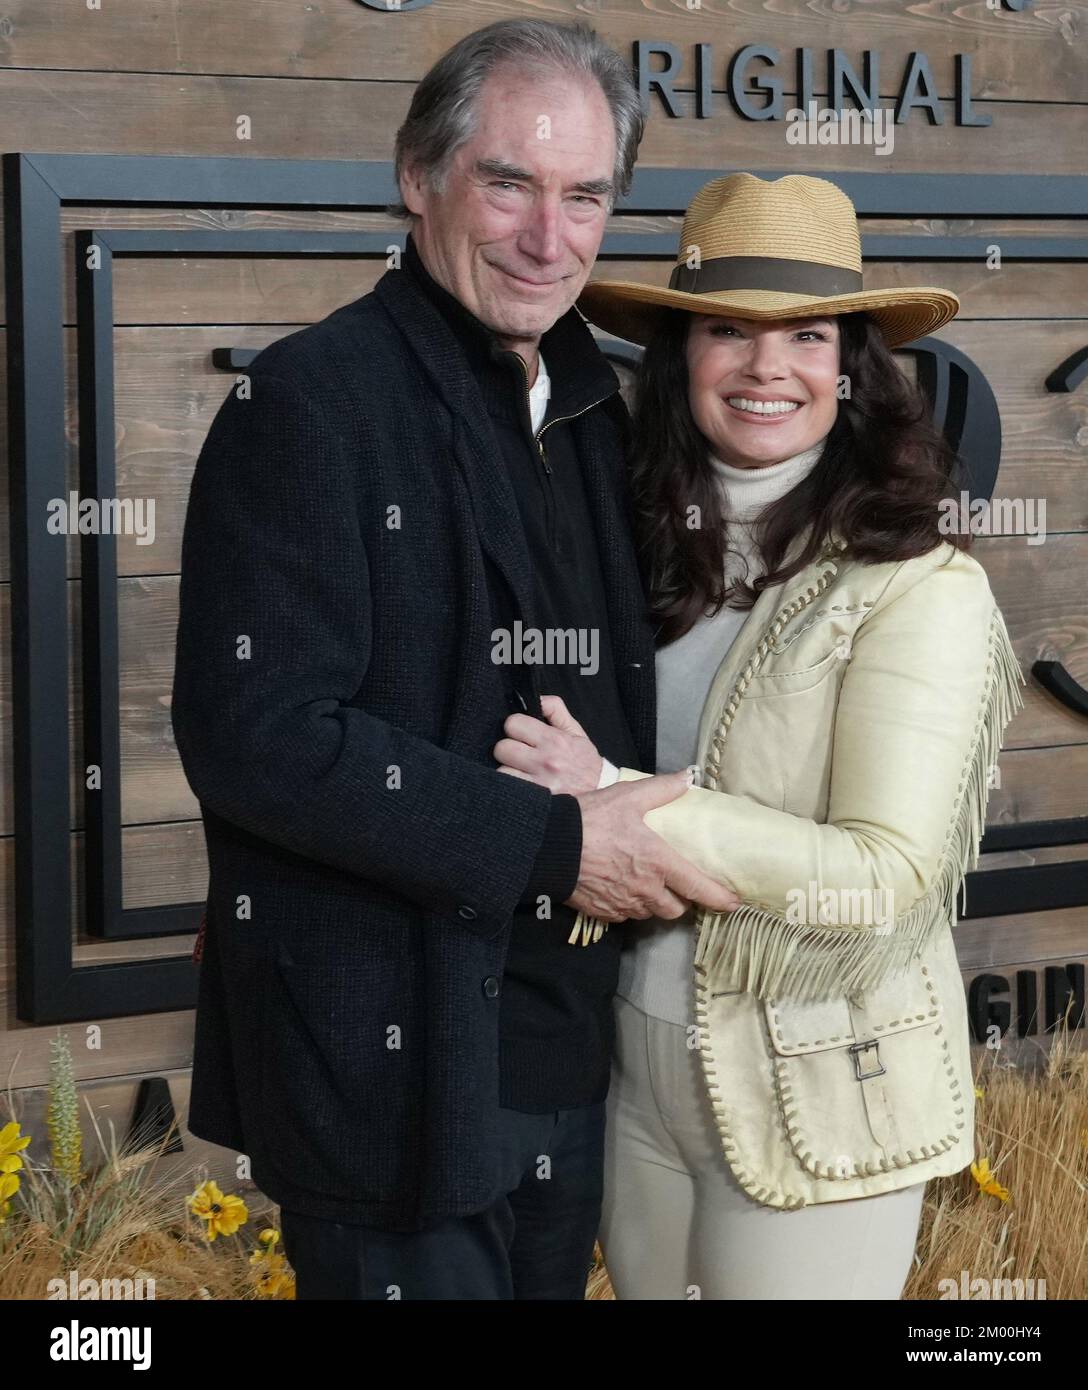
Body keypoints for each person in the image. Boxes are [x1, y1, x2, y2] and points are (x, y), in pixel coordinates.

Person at [170, 18, 737, 1301]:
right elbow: (261, 736)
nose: (551, 238)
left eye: (585, 195)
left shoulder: (601, 401)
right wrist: (560, 847)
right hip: (391, 1072)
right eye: (509, 183)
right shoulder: (313, 401)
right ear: (416, 177)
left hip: (560, 1049)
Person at [494, 172, 1025, 1299]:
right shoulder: (627, 548)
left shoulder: (917, 587)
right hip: (632, 1067)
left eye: (803, 334)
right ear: (680, 355)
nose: (763, 367)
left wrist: (612, 794)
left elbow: (884, 874)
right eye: (726, 330)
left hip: (815, 1076)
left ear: (850, 366)